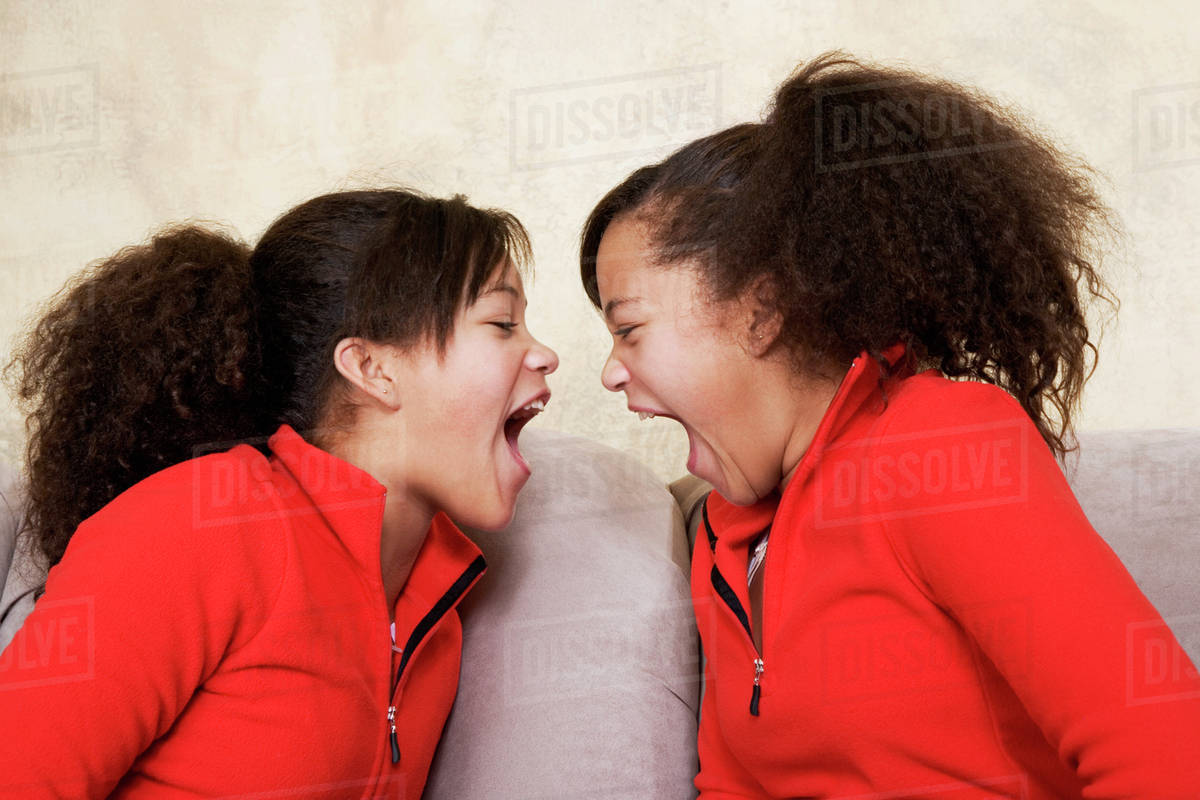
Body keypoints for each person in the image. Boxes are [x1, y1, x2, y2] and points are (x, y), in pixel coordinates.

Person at [581, 53, 1200, 798]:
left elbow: (1165, 747)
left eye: (630, 328)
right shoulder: (723, 529)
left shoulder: (939, 444)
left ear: (761, 311)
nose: (611, 372)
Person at [0, 189, 558, 798]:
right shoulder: (195, 524)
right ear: (373, 368)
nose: (545, 354)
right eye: (502, 324)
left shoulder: (437, 611)